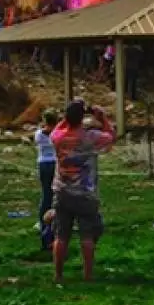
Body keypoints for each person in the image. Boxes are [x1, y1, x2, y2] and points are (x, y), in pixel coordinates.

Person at [51, 99, 115, 283]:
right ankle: (88, 275)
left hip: (62, 190)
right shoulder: (90, 137)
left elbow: (55, 130)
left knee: (61, 235)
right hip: (85, 192)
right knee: (87, 235)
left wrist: (66, 117)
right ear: (82, 118)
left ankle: (58, 274)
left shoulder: (58, 137)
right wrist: (101, 118)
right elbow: (111, 136)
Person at [35, 110, 58, 249]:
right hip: (55, 163)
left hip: (43, 163)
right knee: (56, 196)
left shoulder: (39, 134)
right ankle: (55, 225)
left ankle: (44, 223)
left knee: (45, 195)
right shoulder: (58, 133)